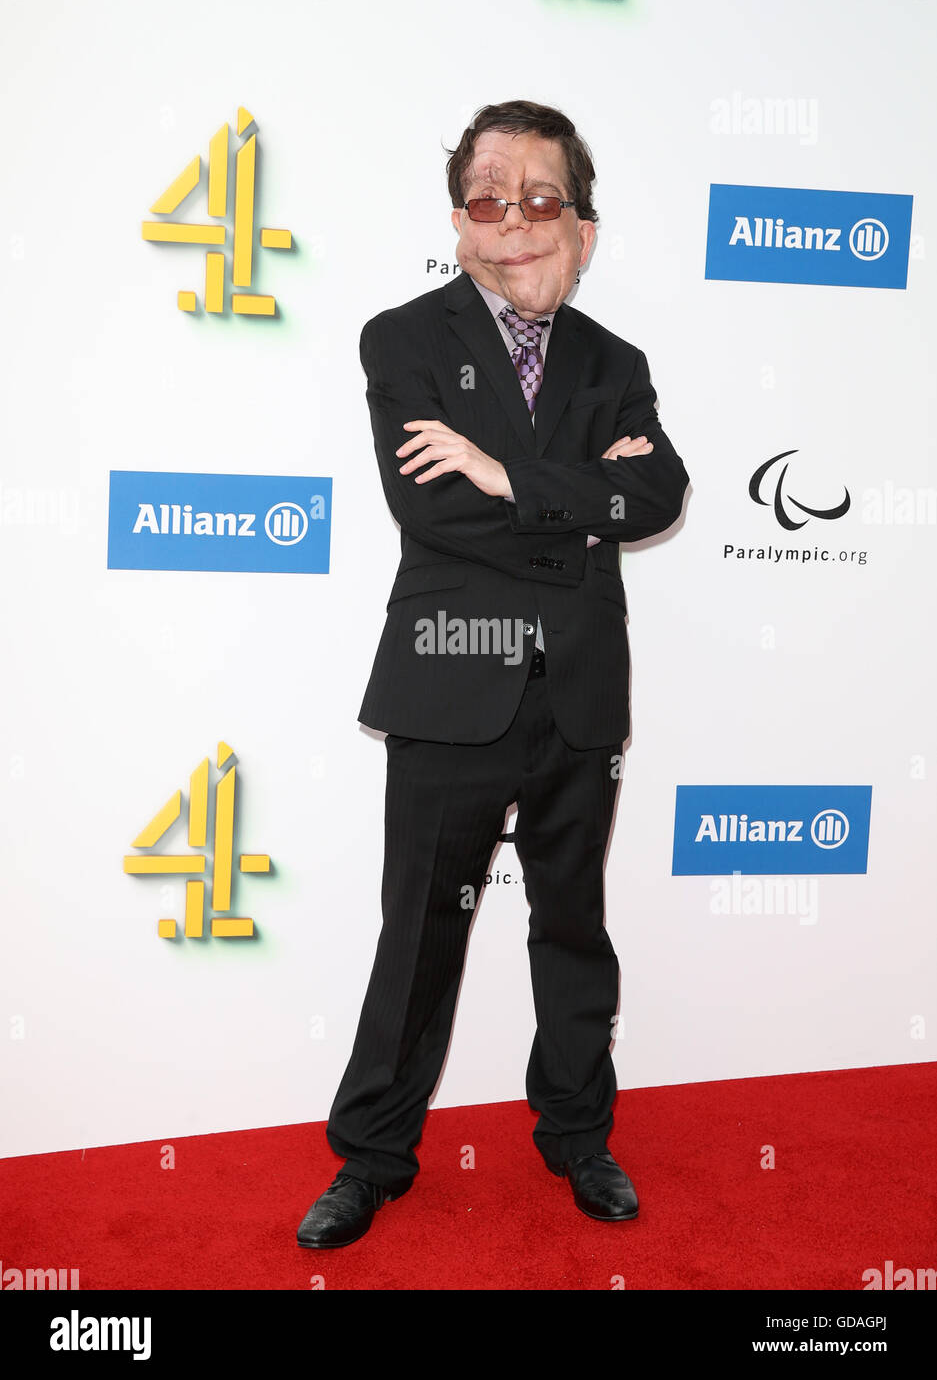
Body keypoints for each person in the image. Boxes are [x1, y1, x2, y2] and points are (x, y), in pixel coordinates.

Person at [297, 100, 688, 1248]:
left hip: (577, 691)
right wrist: (575, 490)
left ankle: (577, 1138)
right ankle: (371, 1156)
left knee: (572, 928)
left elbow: (657, 497)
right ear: (459, 223)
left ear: (585, 230)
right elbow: (434, 507)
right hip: (447, 682)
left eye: (543, 200)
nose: (515, 223)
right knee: (417, 934)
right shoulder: (402, 339)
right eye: (489, 199)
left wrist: (507, 472)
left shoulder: (618, 363)